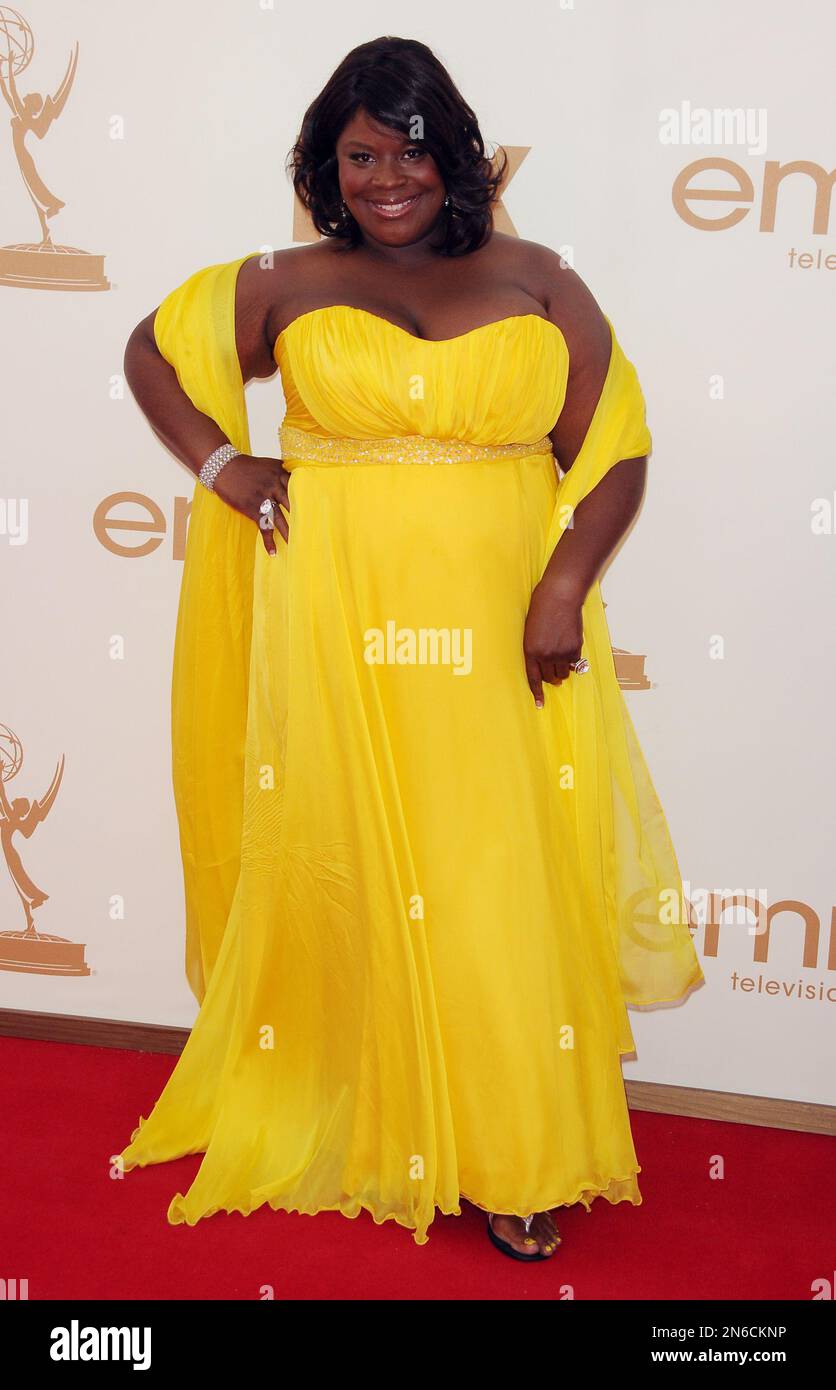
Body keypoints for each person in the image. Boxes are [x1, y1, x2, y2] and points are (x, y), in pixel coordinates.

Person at [118, 35, 703, 1260]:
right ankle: (370, 1111)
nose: (389, 177)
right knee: (356, 862)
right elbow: (150, 350)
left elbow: (617, 450)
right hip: (337, 622)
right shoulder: (283, 279)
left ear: (458, 153)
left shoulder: (540, 277)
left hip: (503, 630)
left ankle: (515, 1151)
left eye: (412, 149)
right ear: (326, 167)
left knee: (496, 878)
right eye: (360, 155)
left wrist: (562, 584)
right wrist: (225, 466)